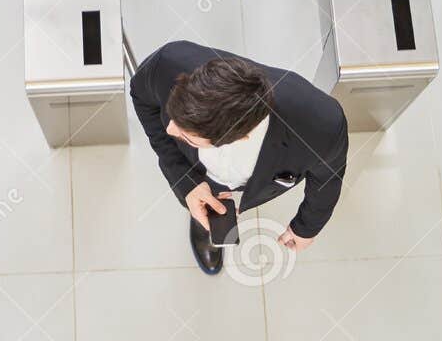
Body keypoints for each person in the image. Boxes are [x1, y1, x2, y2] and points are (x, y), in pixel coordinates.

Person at [130, 41, 348, 276]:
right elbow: (142, 97)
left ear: (239, 137)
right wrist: (185, 181)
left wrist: (307, 228)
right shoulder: (168, 63)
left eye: (188, 135)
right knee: (205, 204)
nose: (170, 130)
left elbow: (328, 178)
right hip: (196, 166)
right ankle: (204, 227)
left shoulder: (322, 127)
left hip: (260, 172)